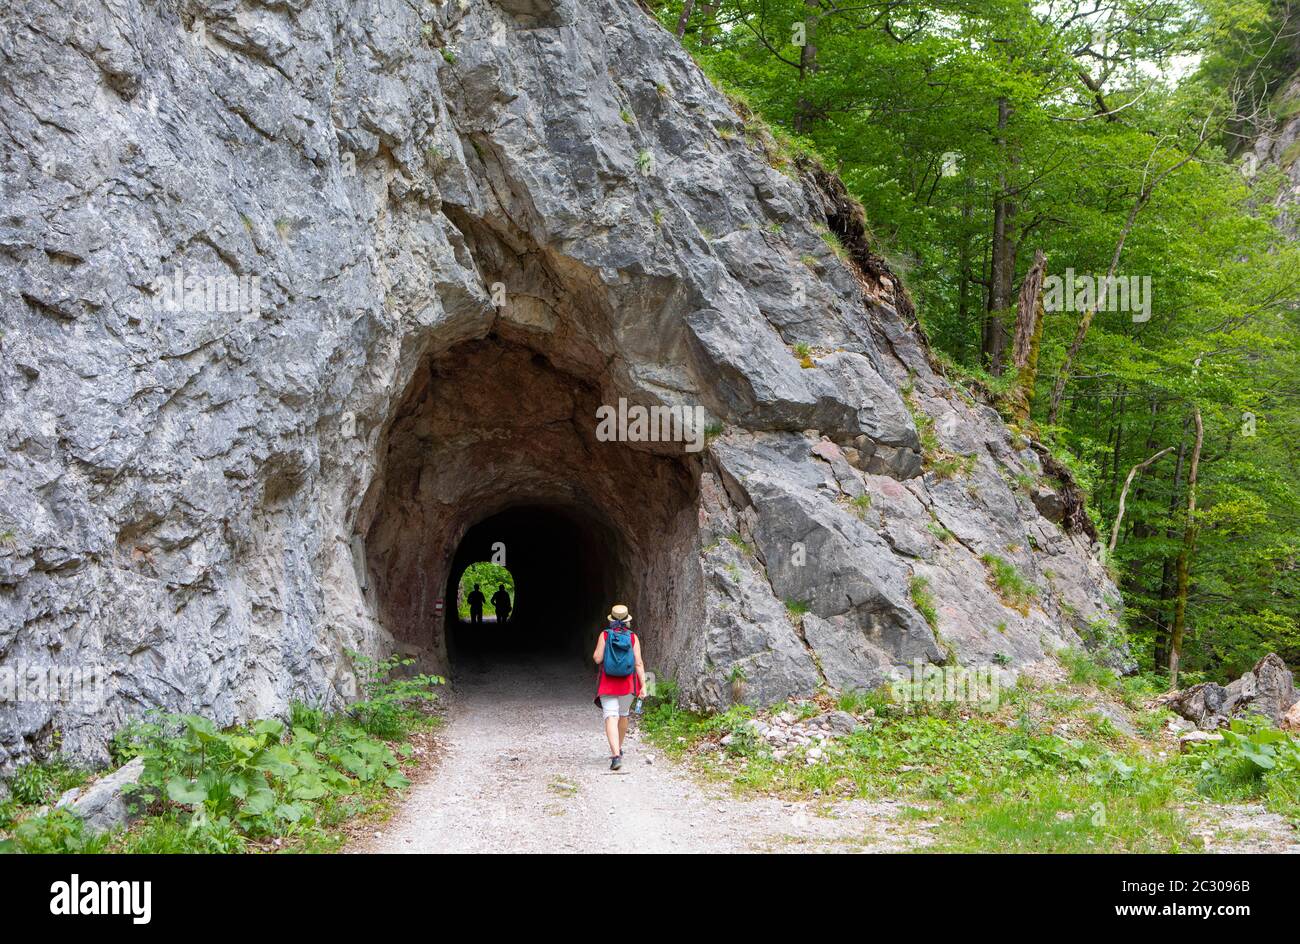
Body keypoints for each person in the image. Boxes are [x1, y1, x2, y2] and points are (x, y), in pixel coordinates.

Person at [592, 604, 646, 770]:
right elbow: (638, 662)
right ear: (627, 619)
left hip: (608, 683)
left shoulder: (605, 635)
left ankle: (615, 755)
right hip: (627, 683)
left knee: (610, 716)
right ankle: (619, 750)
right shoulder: (632, 637)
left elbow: (597, 658)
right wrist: (644, 685)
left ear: (612, 619)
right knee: (623, 715)